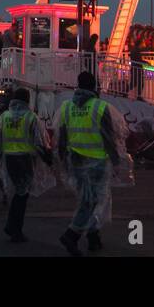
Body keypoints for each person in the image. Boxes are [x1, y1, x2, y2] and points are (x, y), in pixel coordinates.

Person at [55, 71, 126, 257]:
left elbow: (62, 136)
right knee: (92, 201)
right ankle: (72, 234)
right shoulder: (101, 107)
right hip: (96, 161)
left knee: (86, 198)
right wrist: (117, 160)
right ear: (94, 86)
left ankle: (94, 238)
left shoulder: (66, 107)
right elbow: (109, 137)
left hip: (75, 160)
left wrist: (62, 159)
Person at [0, 87, 54, 242]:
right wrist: (47, 159)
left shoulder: (4, 117)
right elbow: (40, 143)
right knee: (22, 195)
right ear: (27, 100)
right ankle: (14, 228)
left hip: (9, 159)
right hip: (24, 160)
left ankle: (13, 226)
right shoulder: (31, 118)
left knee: (19, 193)